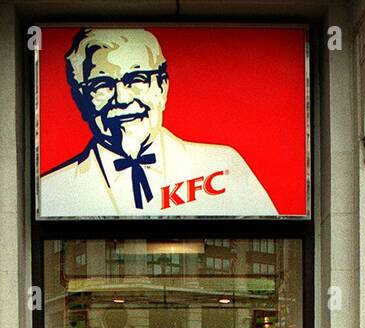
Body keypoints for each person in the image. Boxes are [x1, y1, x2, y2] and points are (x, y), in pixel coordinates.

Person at [39, 28, 277, 217]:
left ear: (162, 87)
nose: (122, 99)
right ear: (81, 99)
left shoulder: (223, 167)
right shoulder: (51, 191)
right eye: (102, 85)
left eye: (137, 79)